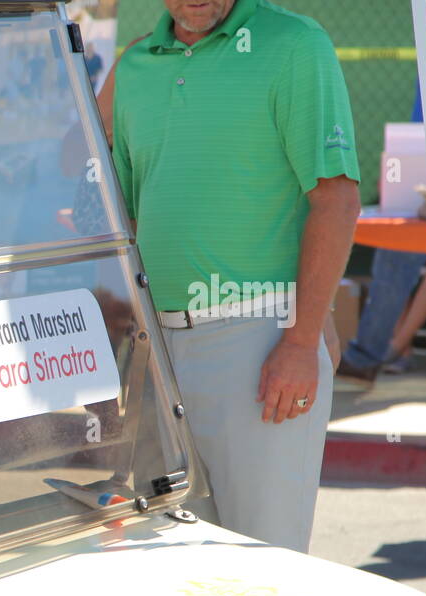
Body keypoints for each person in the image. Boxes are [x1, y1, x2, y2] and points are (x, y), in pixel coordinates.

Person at [111, 0, 361, 553]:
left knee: (263, 567)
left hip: (261, 342)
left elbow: (336, 200)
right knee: (174, 568)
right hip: (158, 352)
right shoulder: (134, 69)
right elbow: (129, 218)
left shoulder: (295, 44)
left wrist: (301, 340)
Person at [336, 0, 426, 385]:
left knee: (400, 250)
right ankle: (383, 349)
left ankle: (376, 351)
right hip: (425, 163)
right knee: (403, 251)